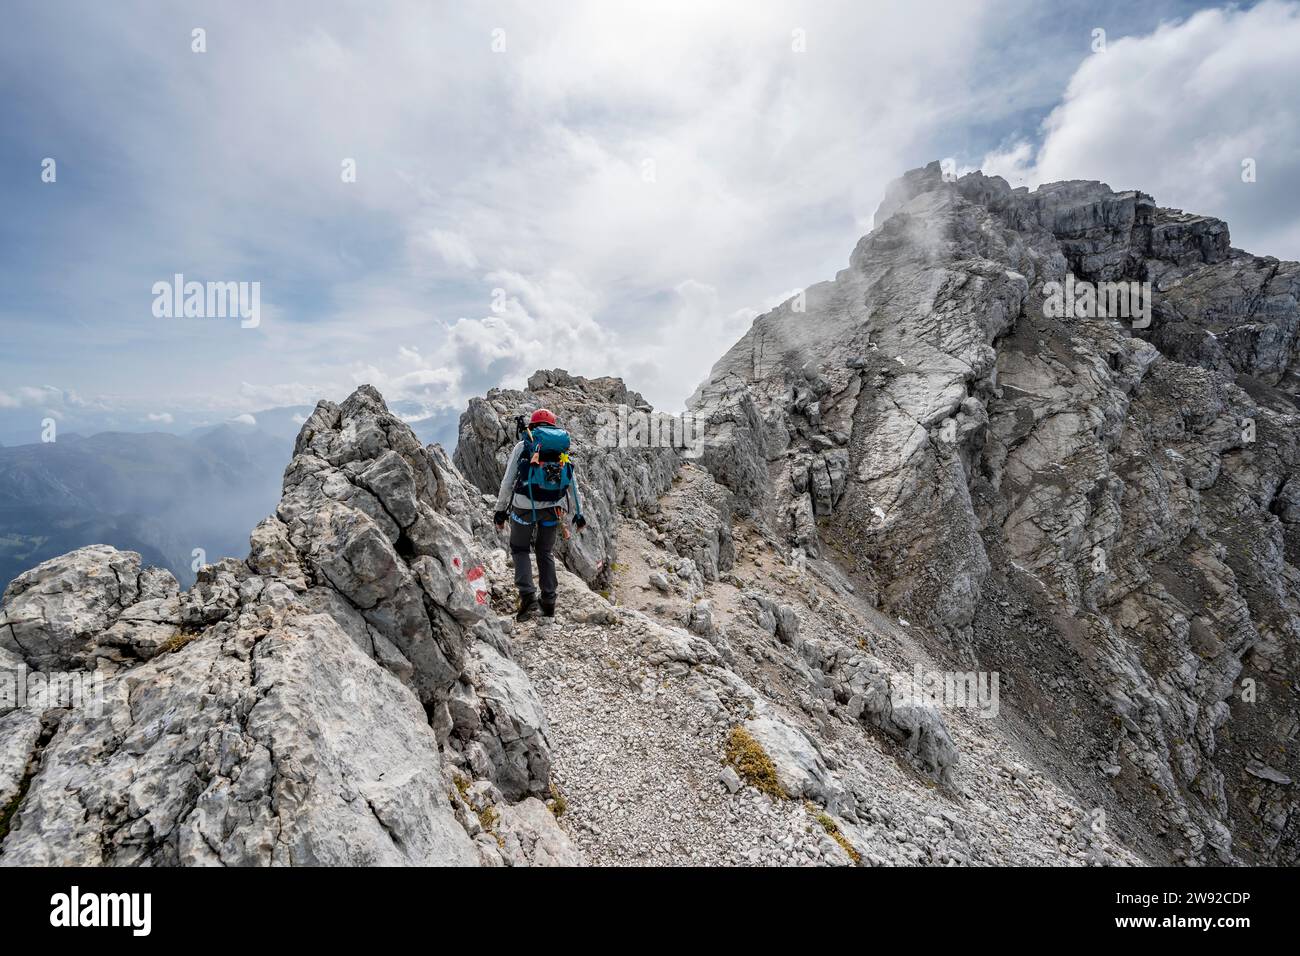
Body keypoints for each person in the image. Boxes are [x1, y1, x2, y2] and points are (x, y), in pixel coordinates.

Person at [493, 408, 586, 621]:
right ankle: (549, 602)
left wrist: (500, 510)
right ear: (553, 427)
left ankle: (528, 598)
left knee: (519, 549)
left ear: (533, 426)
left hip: (524, 507)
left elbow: (508, 481)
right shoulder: (561, 449)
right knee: (545, 551)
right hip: (553, 508)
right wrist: (578, 513)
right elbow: (572, 483)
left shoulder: (524, 445)